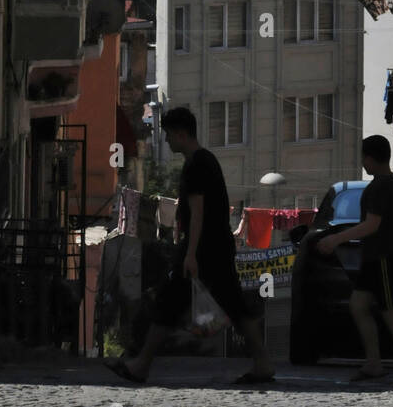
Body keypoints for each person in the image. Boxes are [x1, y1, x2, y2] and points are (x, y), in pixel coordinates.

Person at [111, 107, 274, 385]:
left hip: (204, 249)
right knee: (230, 304)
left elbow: (198, 212)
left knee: (170, 303)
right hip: (214, 247)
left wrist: (190, 254)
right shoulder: (204, 160)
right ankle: (262, 364)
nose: (166, 141)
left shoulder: (197, 164)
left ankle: (140, 366)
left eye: (168, 135)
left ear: (181, 133)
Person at [317, 135, 393, 387]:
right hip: (374, 258)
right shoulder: (390, 183)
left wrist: (336, 239)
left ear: (370, 158)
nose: (363, 164)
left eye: (364, 158)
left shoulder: (381, 186)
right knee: (358, 305)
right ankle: (373, 363)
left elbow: (371, 225)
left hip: (384, 259)